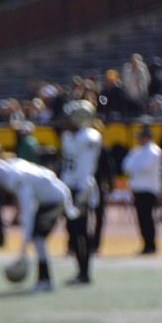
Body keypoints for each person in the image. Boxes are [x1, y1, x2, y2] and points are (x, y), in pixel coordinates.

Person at [0, 145, 78, 292]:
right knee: (37, 238)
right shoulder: (16, 166)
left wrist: (24, 244)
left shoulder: (18, 179)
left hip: (55, 200)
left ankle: (45, 280)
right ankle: (44, 279)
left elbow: (27, 210)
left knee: (38, 238)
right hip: (50, 198)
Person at [58, 101, 101, 284]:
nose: (66, 121)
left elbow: (87, 168)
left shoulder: (89, 137)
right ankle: (80, 271)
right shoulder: (69, 137)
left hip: (81, 189)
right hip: (69, 187)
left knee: (81, 232)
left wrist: (83, 193)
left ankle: (85, 273)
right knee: (72, 232)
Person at [123, 124, 162, 256]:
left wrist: (134, 167)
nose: (140, 139)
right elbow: (126, 165)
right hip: (137, 188)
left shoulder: (154, 151)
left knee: (148, 218)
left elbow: (145, 167)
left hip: (149, 188)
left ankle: (151, 244)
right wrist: (135, 167)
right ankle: (145, 244)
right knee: (141, 218)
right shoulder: (136, 151)